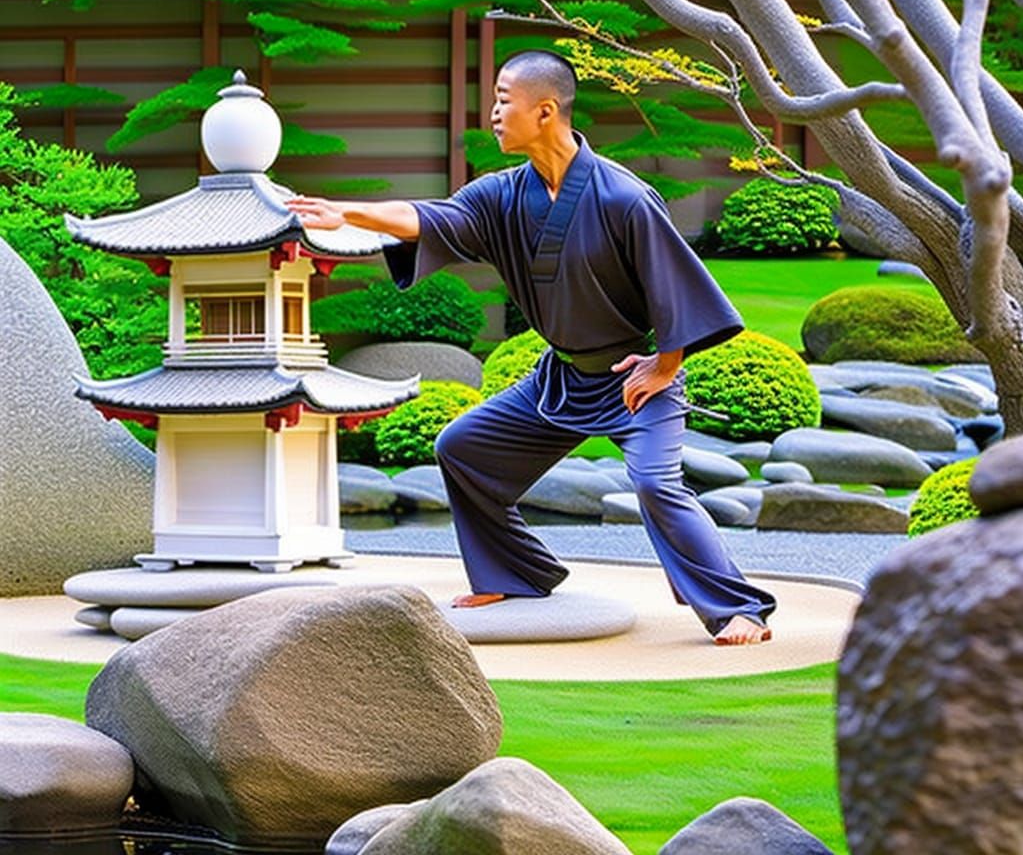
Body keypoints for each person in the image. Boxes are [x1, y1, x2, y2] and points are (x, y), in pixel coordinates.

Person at [287, 50, 775, 645]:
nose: (492, 113)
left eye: (502, 99)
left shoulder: (625, 198)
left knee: (655, 484)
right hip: (560, 380)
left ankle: (737, 608)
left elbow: (677, 288)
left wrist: (665, 363)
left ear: (545, 110)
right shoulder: (502, 196)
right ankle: (515, 572)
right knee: (461, 448)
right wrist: (348, 213)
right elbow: (426, 216)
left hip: (631, 380)